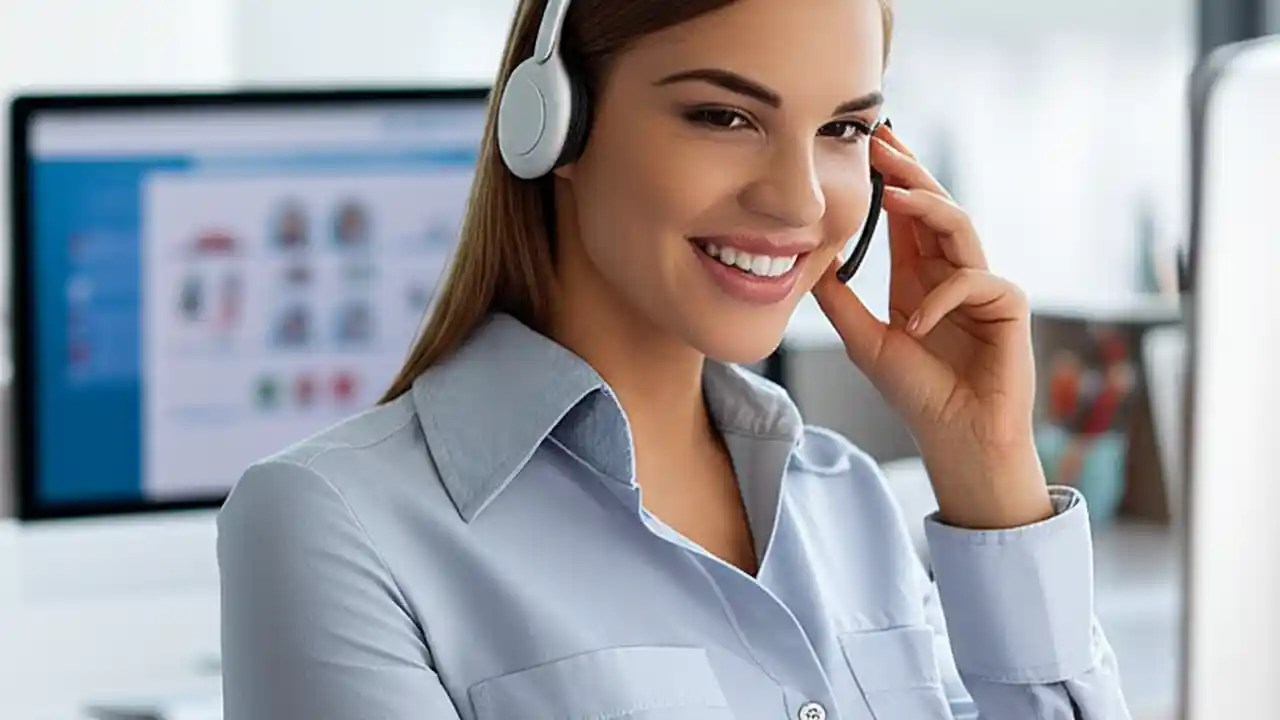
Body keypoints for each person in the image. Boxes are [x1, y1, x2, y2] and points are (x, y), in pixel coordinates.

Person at [217, 0, 1132, 718]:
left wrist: (990, 474)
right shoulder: (335, 525)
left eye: (845, 130)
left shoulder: (843, 500)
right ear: (555, 124)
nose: (798, 199)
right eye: (725, 116)